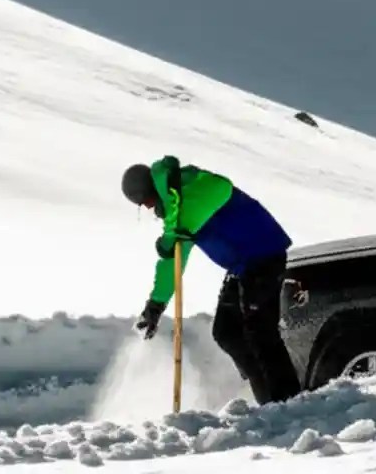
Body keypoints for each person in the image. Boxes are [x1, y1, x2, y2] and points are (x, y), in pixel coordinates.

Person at [120, 155, 302, 405]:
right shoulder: (178, 199)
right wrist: (155, 304)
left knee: (261, 332)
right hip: (243, 266)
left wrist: (169, 240)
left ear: (153, 190)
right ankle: (267, 396)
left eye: (148, 202)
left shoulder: (189, 193)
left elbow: (176, 250)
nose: (151, 208)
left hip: (263, 256)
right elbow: (174, 254)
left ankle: (289, 402)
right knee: (227, 331)